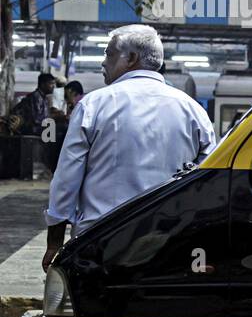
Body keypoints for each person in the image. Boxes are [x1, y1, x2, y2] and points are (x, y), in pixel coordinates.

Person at [42, 25, 215, 272]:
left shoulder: (94, 105)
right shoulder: (193, 110)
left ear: (131, 58)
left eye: (109, 54)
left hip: (99, 242)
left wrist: (54, 242)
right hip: (169, 242)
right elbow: (208, 183)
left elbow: (66, 179)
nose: (103, 62)